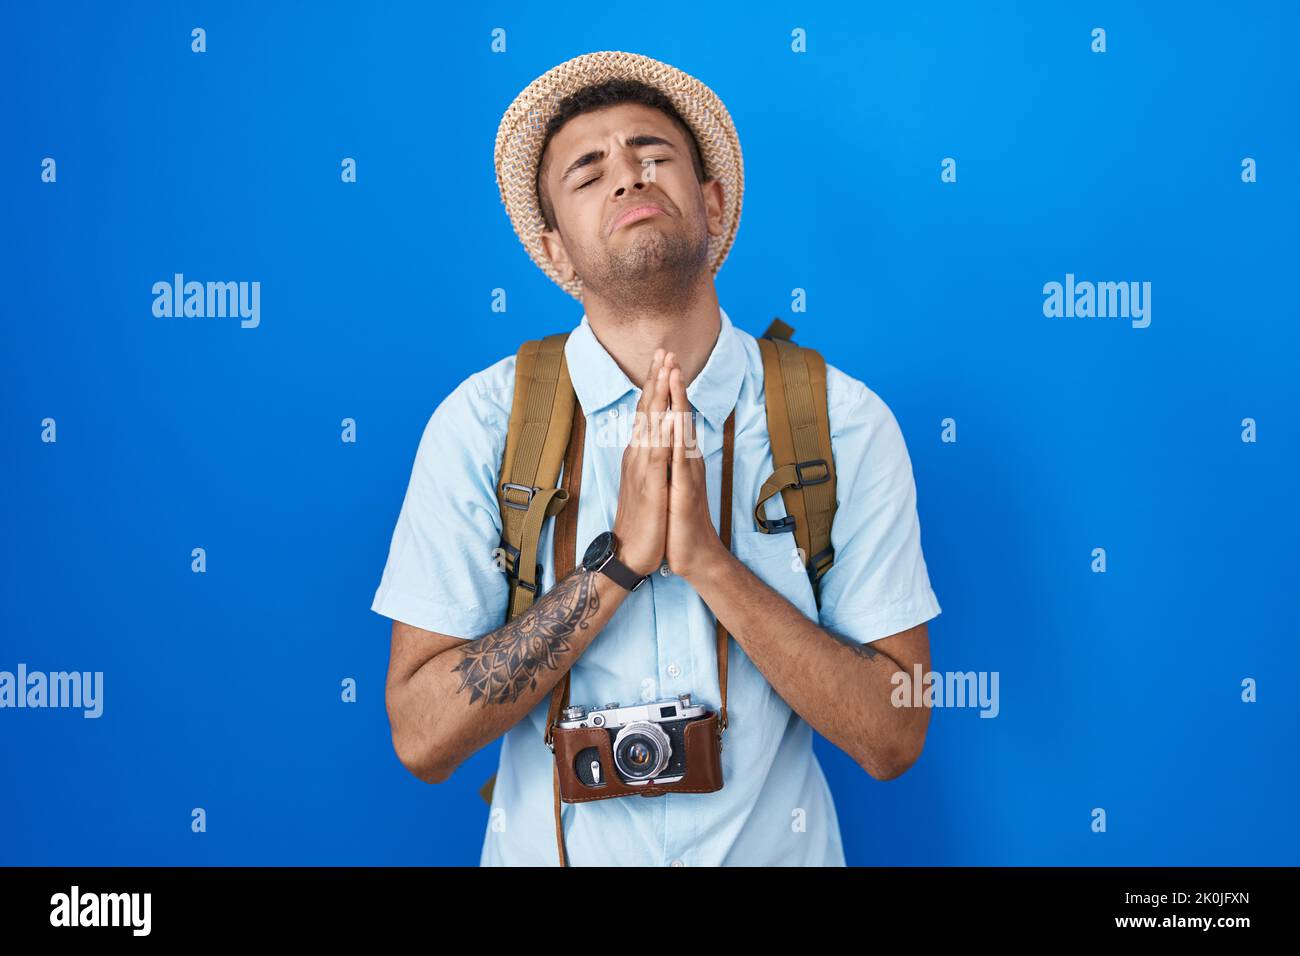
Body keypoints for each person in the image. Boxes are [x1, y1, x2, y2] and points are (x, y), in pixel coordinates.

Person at [371, 51, 941, 866]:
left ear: (711, 202)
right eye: (588, 170)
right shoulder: (482, 425)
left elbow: (895, 733)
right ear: (556, 251)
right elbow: (422, 738)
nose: (628, 177)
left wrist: (710, 563)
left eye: (653, 154)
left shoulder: (842, 422)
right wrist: (617, 568)